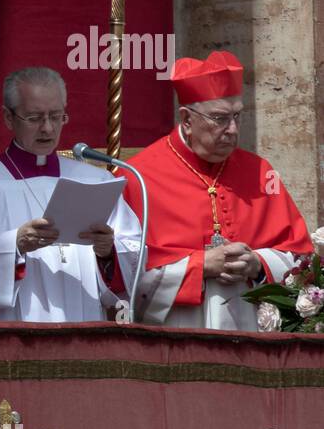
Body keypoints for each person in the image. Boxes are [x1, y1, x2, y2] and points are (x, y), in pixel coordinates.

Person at [0, 66, 142, 321]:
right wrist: (13, 244)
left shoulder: (95, 180)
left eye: (56, 116)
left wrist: (108, 252)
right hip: (9, 334)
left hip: (82, 325)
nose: (48, 128)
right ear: (9, 118)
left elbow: (135, 255)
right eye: (35, 118)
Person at [122, 50, 310, 330]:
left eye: (237, 116)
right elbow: (122, 274)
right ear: (186, 120)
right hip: (176, 332)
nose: (232, 129)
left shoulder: (261, 172)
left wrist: (258, 264)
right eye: (220, 119)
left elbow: (301, 257)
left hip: (252, 331)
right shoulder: (136, 176)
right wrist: (200, 266)